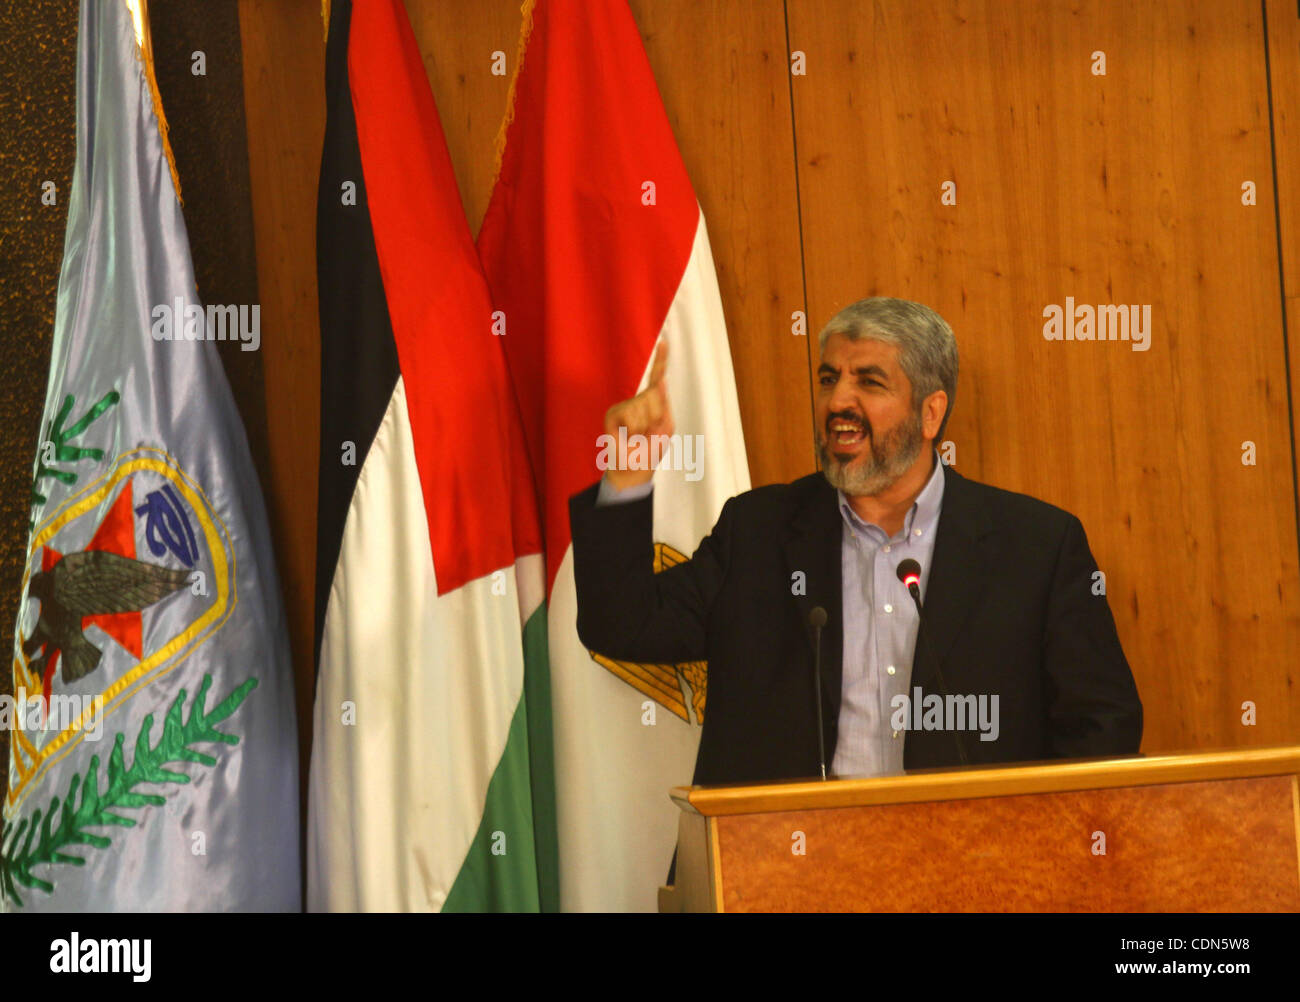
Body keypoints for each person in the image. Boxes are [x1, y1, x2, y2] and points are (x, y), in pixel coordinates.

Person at [569, 297, 1142, 789]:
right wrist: (626, 478)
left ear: (930, 411)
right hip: (784, 866)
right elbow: (620, 624)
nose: (838, 402)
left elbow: (1102, 726)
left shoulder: (1037, 546)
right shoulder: (759, 530)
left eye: (868, 381)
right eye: (828, 379)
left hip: (972, 871)